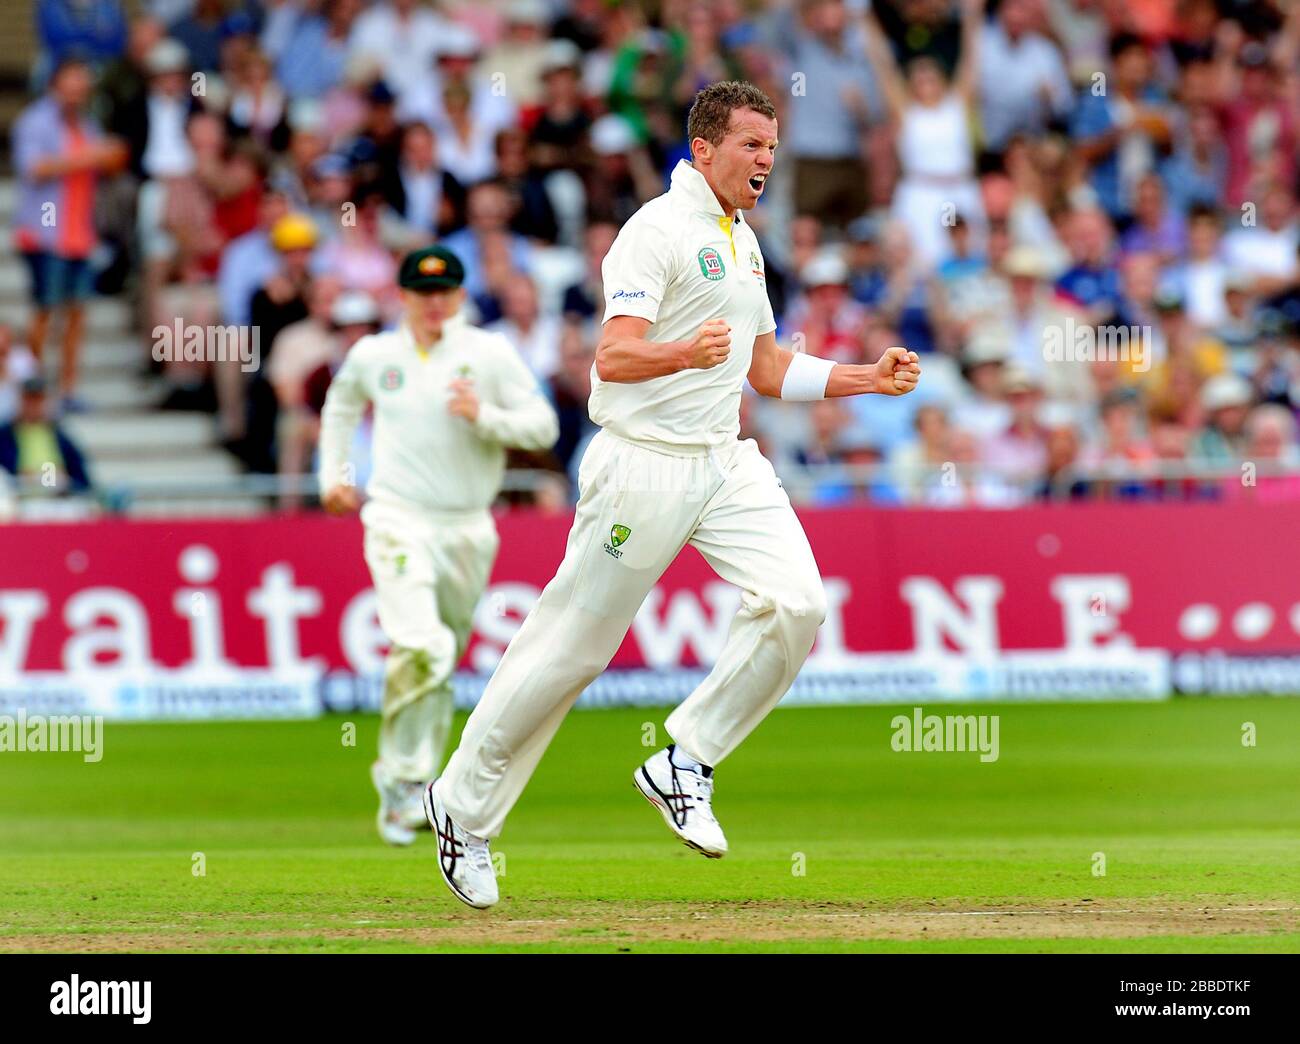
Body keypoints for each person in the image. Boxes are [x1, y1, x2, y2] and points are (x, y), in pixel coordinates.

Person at [425, 82, 921, 909]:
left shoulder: (744, 241)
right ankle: (461, 807)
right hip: (642, 464)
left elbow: (764, 369)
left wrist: (863, 378)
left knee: (796, 603)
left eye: (772, 146)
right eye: (752, 145)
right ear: (704, 149)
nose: (766, 160)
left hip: (723, 461)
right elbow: (613, 359)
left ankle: (684, 759)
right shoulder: (652, 233)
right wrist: (684, 353)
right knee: (572, 651)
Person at [317, 245, 558, 847]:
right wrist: (335, 476)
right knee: (420, 645)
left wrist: (485, 417)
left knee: (439, 655)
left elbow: (544, 426)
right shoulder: (375, 355)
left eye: (446, 291)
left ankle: (419, 778)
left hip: (468, 525)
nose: (435, 303)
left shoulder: (488, 352)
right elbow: (340, 406)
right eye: (424, 292)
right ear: (402, 295)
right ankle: (401, 780)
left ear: (459, 295)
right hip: (397, 517)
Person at [12, 57, 128, 407]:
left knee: (77, 313)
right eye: (71, 82)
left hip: (80, 233)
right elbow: (33, 168)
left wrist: (107, 157)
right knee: (44, 311)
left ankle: (68, 388)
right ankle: (29, 386)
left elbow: (104, 165)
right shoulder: (34, 122)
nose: (78, 90)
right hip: (45, 230)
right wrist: (92, 156)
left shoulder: (88, 124)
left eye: (82, 83)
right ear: (54, 85)